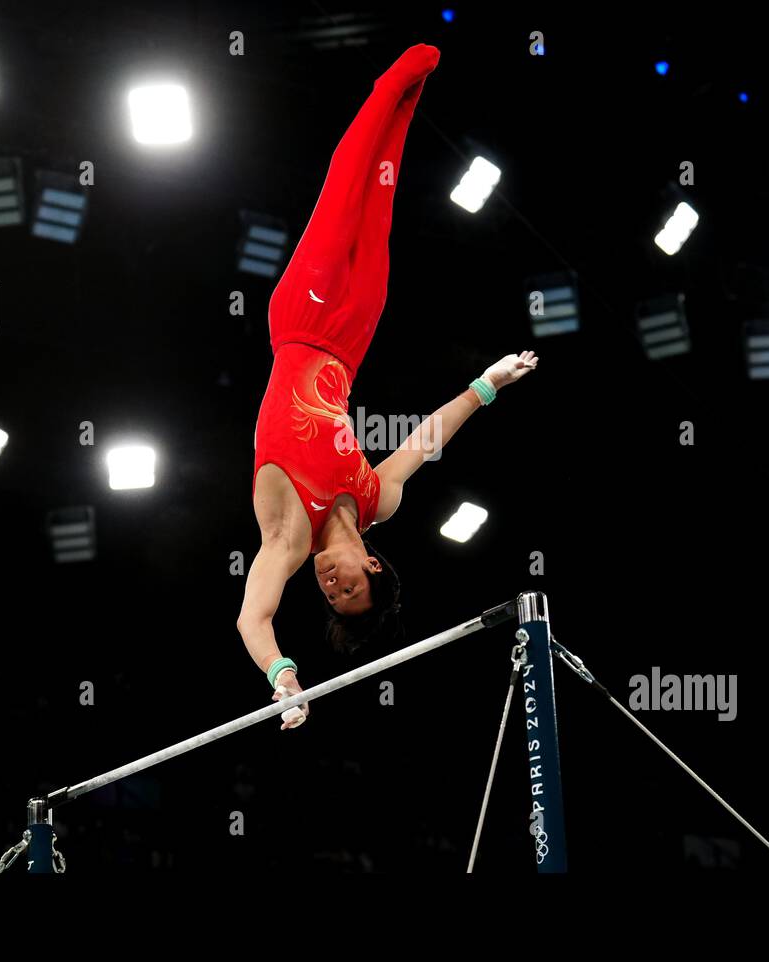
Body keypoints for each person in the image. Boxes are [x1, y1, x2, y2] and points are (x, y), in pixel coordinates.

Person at [238, 43, 538, 729]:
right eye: (348, 588)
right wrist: (488, 384)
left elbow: (253, 614)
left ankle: (392, 85)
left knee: (343, 191)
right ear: (372, 566)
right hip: (350, 343)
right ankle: (406, 101)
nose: (330, 584)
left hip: (301, 322)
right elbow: (427, 439)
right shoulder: (380, 499)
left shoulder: (287, 538)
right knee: (379, 197)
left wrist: (282, 675)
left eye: (329, 595)